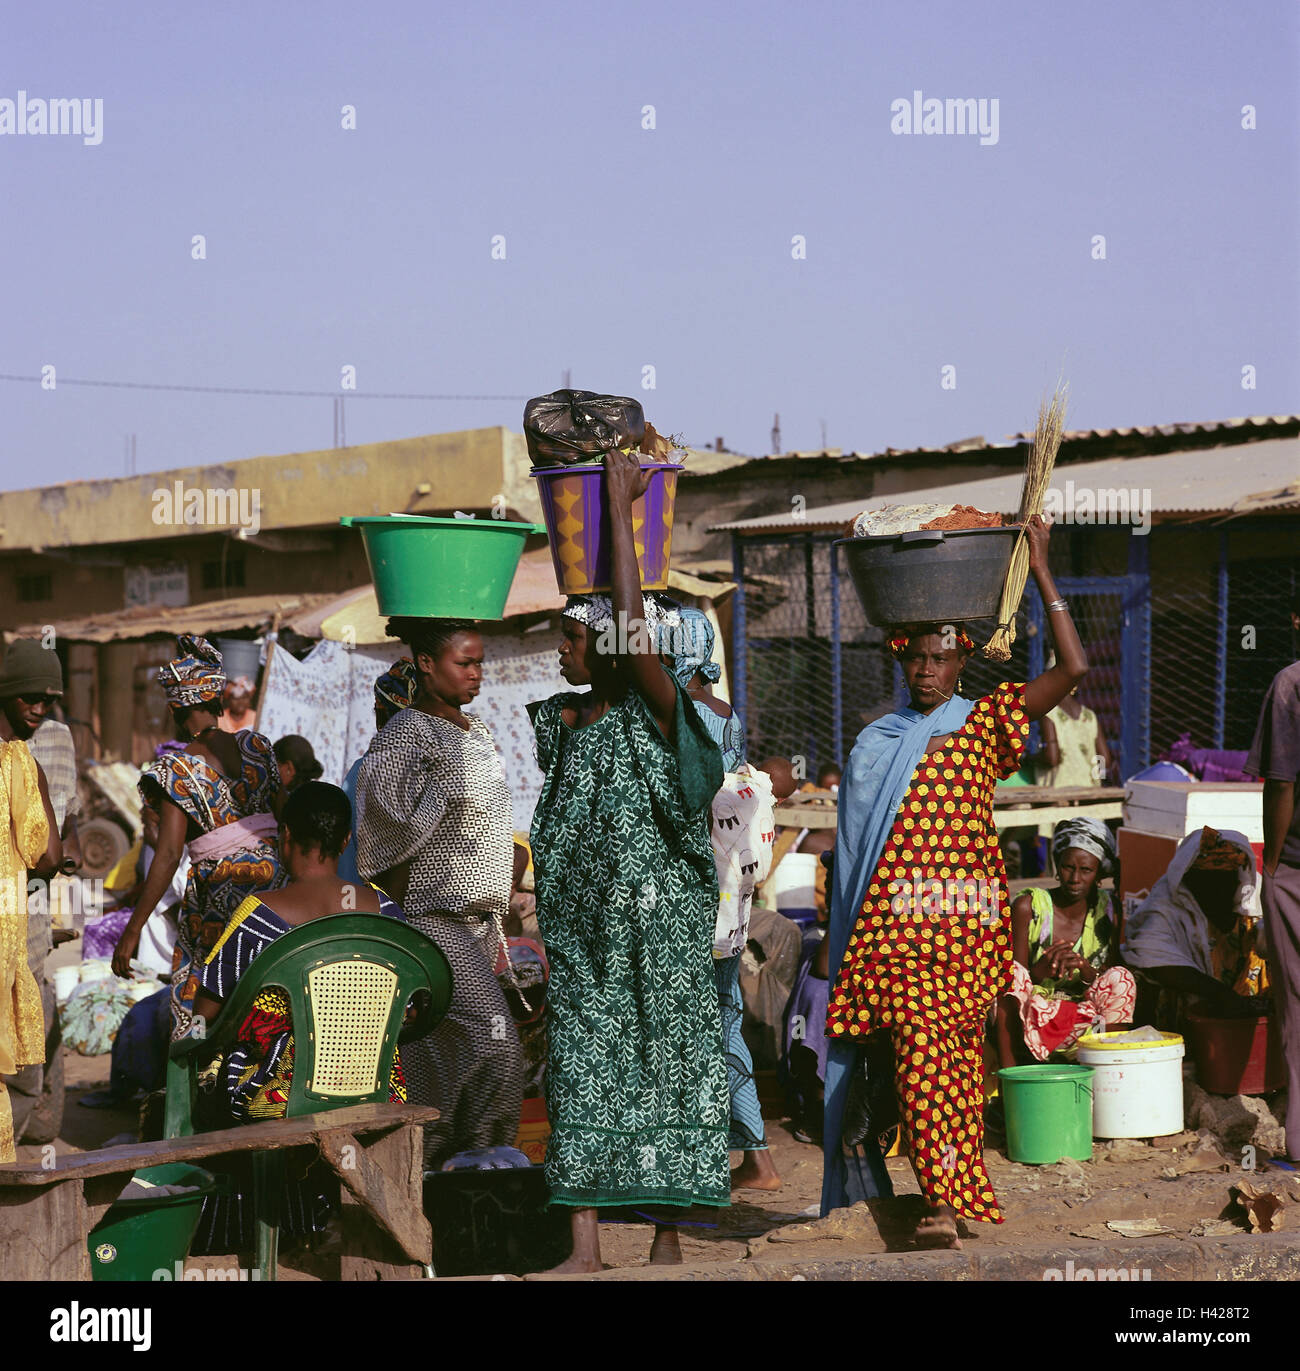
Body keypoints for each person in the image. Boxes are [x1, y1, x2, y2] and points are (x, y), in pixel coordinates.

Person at [823, 513, 1088, 1248]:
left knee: (955, 1065)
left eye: (939, 659)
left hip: (967, 928)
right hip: (900, 931)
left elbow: (1072, 672)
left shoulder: (985, 722)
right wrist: (839, 938)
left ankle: (953, 1191)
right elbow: (855, 847)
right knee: (920, 1054)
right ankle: (941, 1200)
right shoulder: (878, 739)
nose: (926, 671)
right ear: (902, 660)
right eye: (915, 659)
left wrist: (1041, 569)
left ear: (960, 662)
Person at [529, 448, 730, 1271]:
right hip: (585, 943)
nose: (561, 654)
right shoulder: (566, 722)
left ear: (610, 644)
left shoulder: (660, 710)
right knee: (578, 1070)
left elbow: (634, 630)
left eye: (573, 639)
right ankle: (583, 1246)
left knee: (665, 1069)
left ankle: (666, 1238)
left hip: (661, 942)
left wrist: (618, 515)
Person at [354, 617, 523, 1171]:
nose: (477, 674)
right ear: (427, 665)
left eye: (479, 662)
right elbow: (381, 837)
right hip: (433, 920)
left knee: (435, 1052)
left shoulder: (477, 732)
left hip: (478, 923)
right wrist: (414, 919)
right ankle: (484, 1157)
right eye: (464, 663)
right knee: (497, 1044)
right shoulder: (404, 735)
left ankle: (434, 1173)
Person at [193, 782, 406, 1120]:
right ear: (346, 840)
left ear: (286, 835)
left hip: (278, 1094)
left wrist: (189, 1043)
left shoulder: (259, 914)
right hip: (375, 1088)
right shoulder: (386, 912)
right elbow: (406, 1012)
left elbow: (207, 1010)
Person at [111, 635, 285, 1040]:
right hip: (277, 888)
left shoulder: (177, 770)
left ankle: (205, 1079)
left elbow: (169, 853)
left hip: (221, 898)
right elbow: (283, 817)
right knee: (267, 990)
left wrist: (134, 928)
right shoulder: (258, 747)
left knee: (209, 1002)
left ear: (176, 708)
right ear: (217, 701)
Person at [662, 605, 781, 1193]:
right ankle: (756, 1154)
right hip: (729, 896)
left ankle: (698, 1162)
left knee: (685, 1024)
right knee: (725, 1017)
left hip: (688, 894)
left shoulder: (676, 714)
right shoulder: (725, 713)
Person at [2, 644, 79, 1146]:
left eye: (48, 700)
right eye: (30, 697)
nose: (40, 709)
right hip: (16, 915)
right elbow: (49, 857)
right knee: (20, 1042)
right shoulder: (24, 763)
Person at [997, 817, 1135, 1064]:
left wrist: (1083, 969)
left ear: (1099, 873)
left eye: (1086, 870)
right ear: (1057, 867)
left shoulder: (1109, 909)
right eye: (1068, 867)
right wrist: (1040, 971)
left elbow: (1106, 977)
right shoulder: (1028, 906)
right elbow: (1015, 982)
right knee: (1011, 973)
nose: (1075, 878)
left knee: (1122, 977)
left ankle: (1111, 1067)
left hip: (1084, 1020)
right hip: (1033, 1016)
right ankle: (1009, 1074)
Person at [1246, 614, 1300, 1160]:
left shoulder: (1291, 683)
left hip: (1297, 868)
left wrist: (1274, 868)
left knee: (1297, 1007)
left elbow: (1281, 782)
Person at [1122, 826, 1269, 1019]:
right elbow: (1151, 954)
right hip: (1189, 1011)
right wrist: (1220, 994)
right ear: (1188, 878)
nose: (1217, 891)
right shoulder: (1166, 901)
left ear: (1238, 878)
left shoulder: (1254, 894)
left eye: (1224, 881)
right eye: (1208, 882)